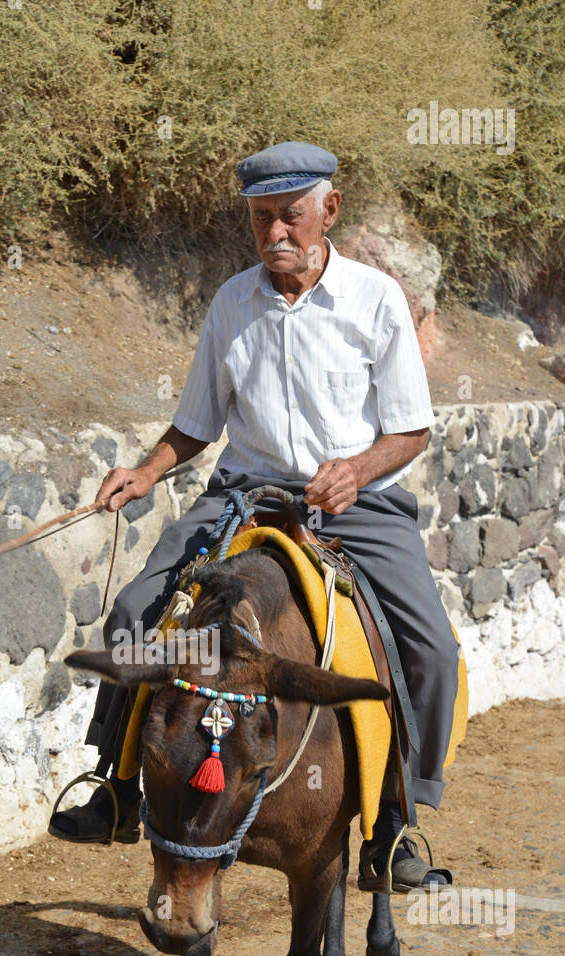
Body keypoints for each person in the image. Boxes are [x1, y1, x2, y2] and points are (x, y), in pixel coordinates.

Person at [50, 140, 459, 891]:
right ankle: (115, 787)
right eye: (261, 219)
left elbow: (409, 429)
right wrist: (145, 471)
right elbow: (197, 423)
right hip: (242, 494)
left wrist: (356, 471)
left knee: (431, 651)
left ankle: (398, 820)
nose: (276, 234)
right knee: (135, 615)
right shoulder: (232, 301)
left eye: (290, 217)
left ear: (327, 210)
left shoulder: (375, 301)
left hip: (354, 505)